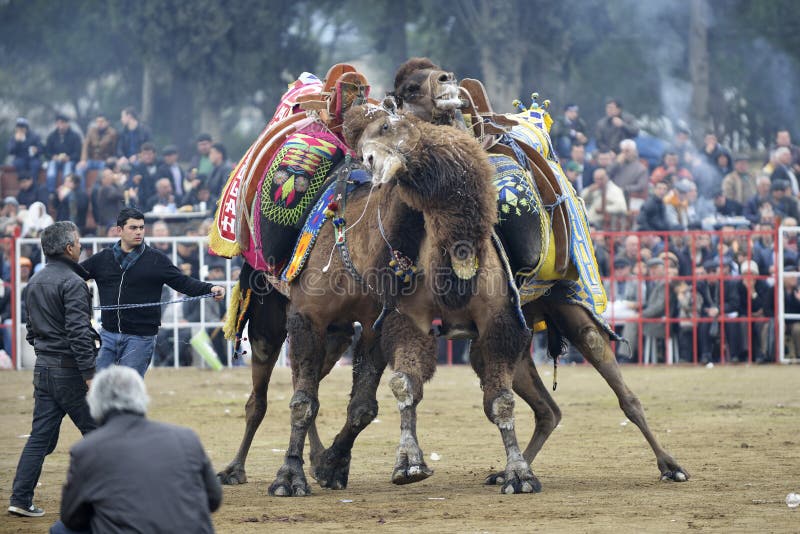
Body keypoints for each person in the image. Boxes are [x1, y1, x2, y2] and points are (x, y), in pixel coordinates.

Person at [51, 366, 222, 533]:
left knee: (60, 529)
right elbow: (214, 499)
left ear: (94, 402)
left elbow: (71, 517)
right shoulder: (186, 437)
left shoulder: (86, 449)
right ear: (142, 397)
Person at [8, 221, 99, 519]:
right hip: (70, 371)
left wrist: (46, 350)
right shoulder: (74, 283)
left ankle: (20, 498)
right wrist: (89, 375)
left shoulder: (33, 282)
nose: (81, 247)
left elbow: (31, 330)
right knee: (99, 434)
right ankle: (116, 496)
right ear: (69, 248)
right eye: (79, 242)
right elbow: (78, 333)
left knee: (40, 439)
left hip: (44, 368)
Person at [81, 208, 224, 376]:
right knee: (97, 385)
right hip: (108, 334)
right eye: (133, 228)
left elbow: (183, 282)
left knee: (129, 388)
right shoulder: (103, 258)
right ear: (119, 230)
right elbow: (74, 275)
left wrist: (210, 288)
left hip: (140, 338)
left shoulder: (156, 259)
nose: (139, 232)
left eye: (141, 228)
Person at [44, 114, 83, 196]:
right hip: (55, 161)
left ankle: (66, 191)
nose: (61, 125)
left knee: (67, 173)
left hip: (69, 161)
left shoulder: (75, 136)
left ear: (67, 124)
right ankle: (50, 193)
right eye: (58, 123)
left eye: (63, 123)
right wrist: (53, 157)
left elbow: (78, 153)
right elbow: (47, 152)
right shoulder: (52, 136)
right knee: (51, 173)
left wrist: (69, 158)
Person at [76, 114, 117, 188]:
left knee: (102, 174)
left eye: (102, 121)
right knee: (79, 169)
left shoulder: (112, 133)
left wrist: (111, 158)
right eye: (97, 122)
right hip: (91, 160)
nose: (99, 124)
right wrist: (83, 160)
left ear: (107, 122)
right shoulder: (91, 131)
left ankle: (98, 192)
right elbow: (85, 146)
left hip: (103, 160)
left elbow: (114, 148)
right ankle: (82, 193)